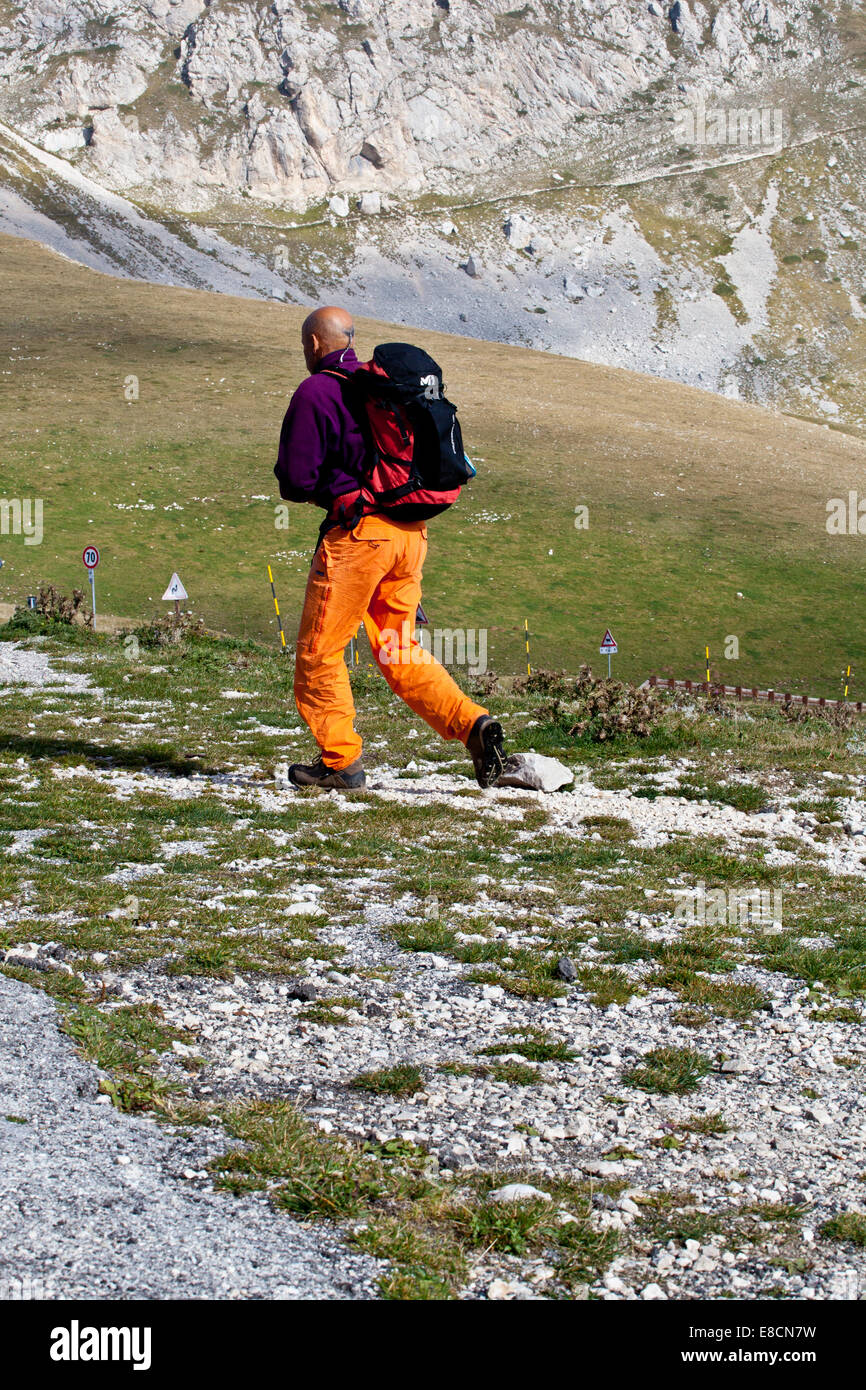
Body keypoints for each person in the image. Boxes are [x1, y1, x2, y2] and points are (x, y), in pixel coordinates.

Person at [274, 305, 506, 791]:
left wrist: (335, 493)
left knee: (320, 652)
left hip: (360, 538)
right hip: (410, 533)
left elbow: (296, 480)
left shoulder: (318, 389)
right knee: (399, 648)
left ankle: (340, 762)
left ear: (315, 345)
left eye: (304, 345)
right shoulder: (379, 387)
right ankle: (472, 725)